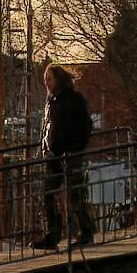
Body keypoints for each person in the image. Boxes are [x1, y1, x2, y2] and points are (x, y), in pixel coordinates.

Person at [43, 63, 96, 245]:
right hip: (54, 155)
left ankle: (86, 232)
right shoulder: (52, 101)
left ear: (59, 79)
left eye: (49, 79)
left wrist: (75, 147)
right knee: (48, 193)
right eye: (45, 80)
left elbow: (86, 126)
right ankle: (53, 234)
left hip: (70, 154)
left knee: (75, 194)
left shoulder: (73, 99)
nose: (47, 83)